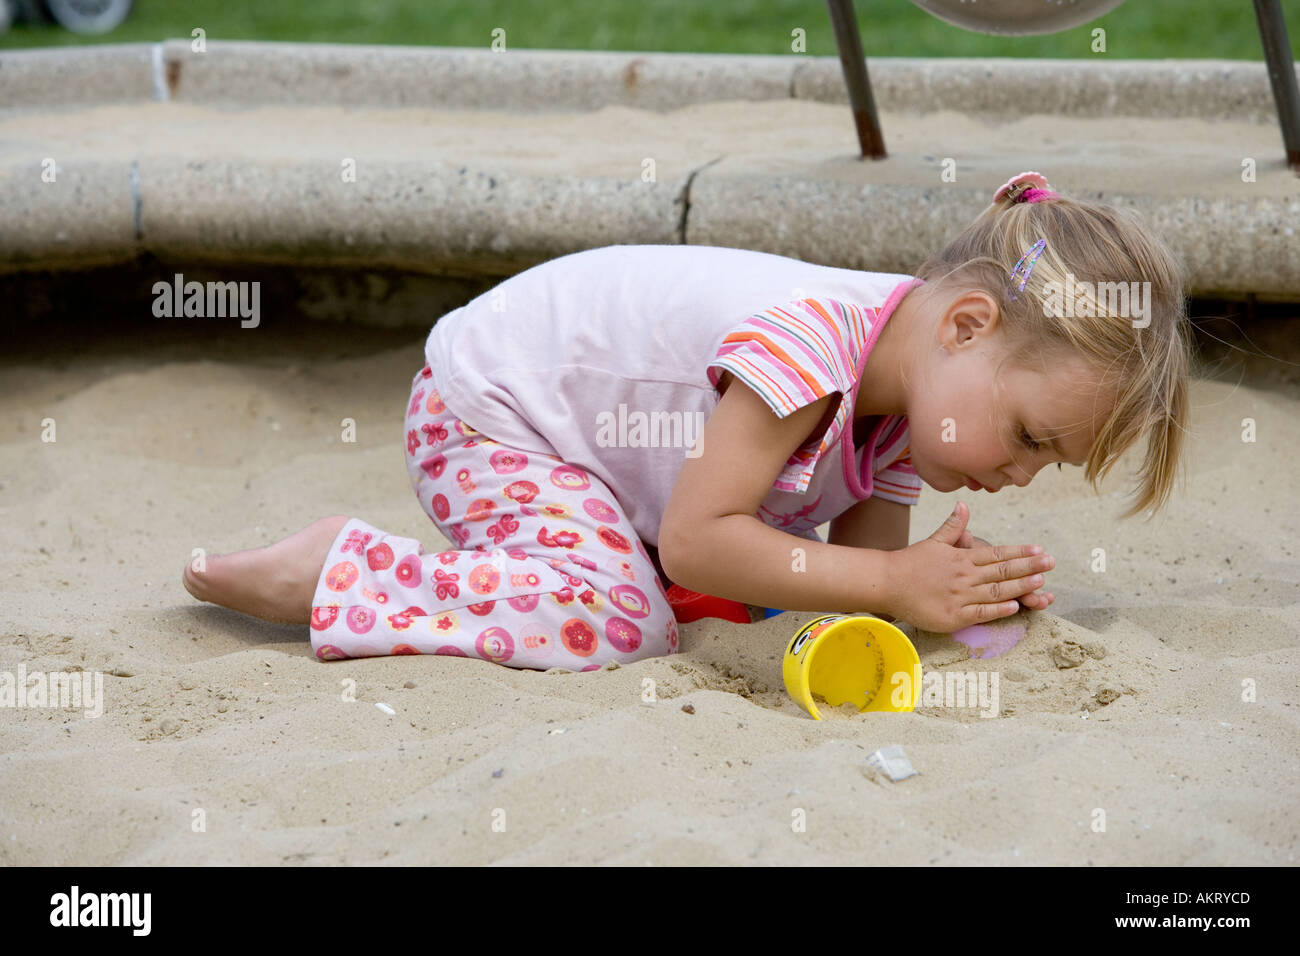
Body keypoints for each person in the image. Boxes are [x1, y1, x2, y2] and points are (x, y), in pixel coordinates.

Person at [182, 170, 1193, 670]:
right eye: (1028, 435)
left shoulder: (911, 390)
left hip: (616, 462)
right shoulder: (812, 352)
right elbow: (708, 542)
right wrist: (890, 576)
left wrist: (935, 597)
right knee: (622, 619)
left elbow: (851, 580)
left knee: (758, 575)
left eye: (1045, 461)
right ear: (968, 326)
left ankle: (605, 553)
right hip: (489, 414)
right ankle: (341, 572)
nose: (1021, 472)